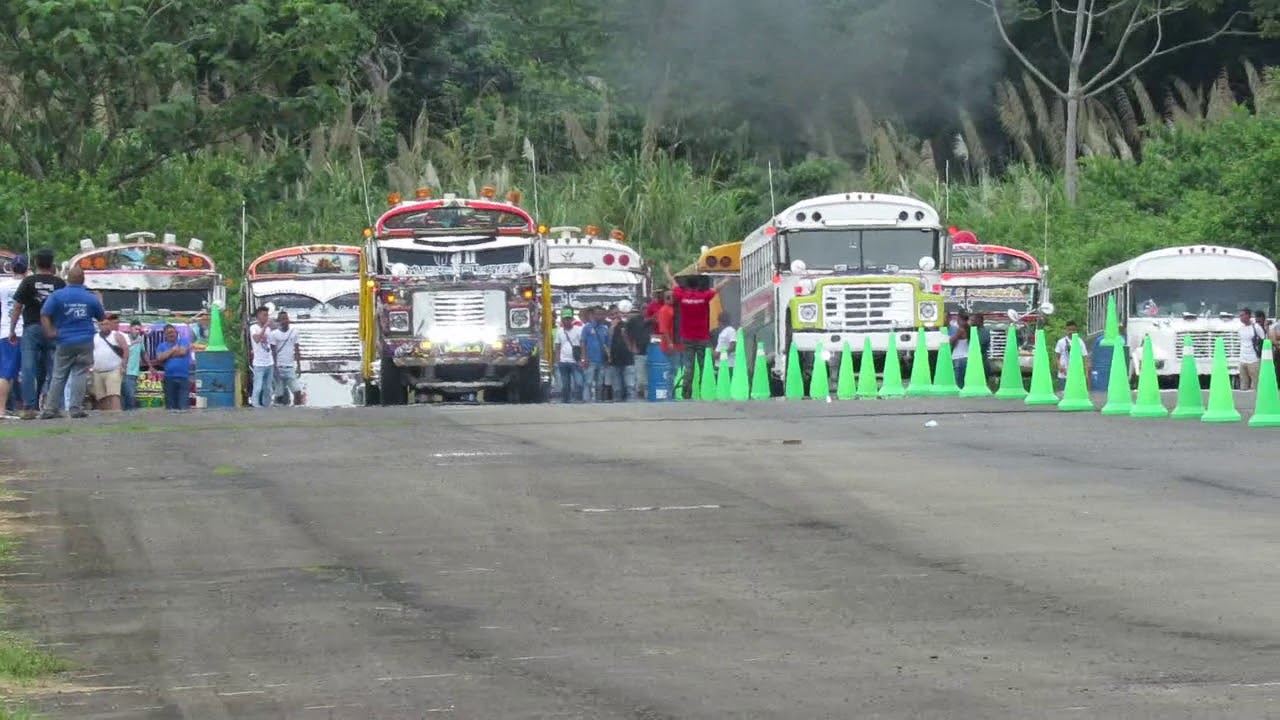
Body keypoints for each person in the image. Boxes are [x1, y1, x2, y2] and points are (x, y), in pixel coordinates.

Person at [38, 266, 104, 419]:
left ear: (67, 279)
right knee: (80, 373)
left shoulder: (57, 295)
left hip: (64, 339)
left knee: (59, 374)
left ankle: (50, 409)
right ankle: (75, 408)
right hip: (85, 340)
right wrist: (100, 301)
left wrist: (49, 331)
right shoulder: (89, 297)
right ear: (83, 280)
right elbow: (101, 317)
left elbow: (44, 313)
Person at [10, 249, 65, 419]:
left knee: (28, 367)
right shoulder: (59, 283)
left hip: (32, 327)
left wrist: (12, 329)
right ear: (52, 263)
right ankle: (55, 405)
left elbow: (18, 307)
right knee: (55, 368)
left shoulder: (28, 281)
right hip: (53, 329)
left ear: (36, 262)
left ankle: (29, 407)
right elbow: (64, 308)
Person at [663, 263, 717, 398]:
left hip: (687, 337)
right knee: (704, 364)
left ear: (687, 285)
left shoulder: (682, 296)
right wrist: (727, 281)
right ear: (698, 285)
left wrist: (667, 271)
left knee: (689, 366)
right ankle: (704, 389)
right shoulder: (704, 297)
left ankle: (686, 392)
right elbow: (716, 289)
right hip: (702, 337)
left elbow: (673, 283)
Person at [0, 255, 28, 417]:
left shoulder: (2, 287)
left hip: (5, 331)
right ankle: (28, 407)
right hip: (26, 330)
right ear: (26, 268)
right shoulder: (29, 285)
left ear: (11, 268)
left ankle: (1, 409)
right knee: (28, 371)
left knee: (5, 373)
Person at [90, 313, 129, 411]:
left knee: (114, 394)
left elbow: (126, 349)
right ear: (99, 325)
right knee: (101, 397)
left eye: (107, 324)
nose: (105, 326)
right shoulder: (94, 337)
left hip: (113, 370)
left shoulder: (116, 335)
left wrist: (124, 364)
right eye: (102, 324)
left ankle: (116, 414)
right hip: (97, 370)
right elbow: (91, 352)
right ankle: (106, 417)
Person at [154, 324, 192, 411]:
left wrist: (167, 355)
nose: (171, 334)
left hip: (183, 377)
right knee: (170, 407)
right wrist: (172, 350)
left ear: (176, 332)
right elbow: (159, 358)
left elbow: (182, 352)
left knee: (184, 406)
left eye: (172, 332)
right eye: (168, 333)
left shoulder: (183, 341)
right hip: (169, 378)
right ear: (165, 335)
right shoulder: (161, 345)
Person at [608, 300, 639, 401]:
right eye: (613, 314)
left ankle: (631, 407)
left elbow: (633, 339)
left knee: (630, 386)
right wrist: (612, 326)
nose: (616, 316)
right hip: (614, 360)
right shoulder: (608, 326)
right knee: (617, 389)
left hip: (628, 359)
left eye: (618, 313)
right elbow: (608, 339)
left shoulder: (627, 325)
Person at [271, 310, 303, 406]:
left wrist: (299, 365)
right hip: (279, 367)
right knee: (279, 394)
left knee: (297, 391)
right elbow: (273, 352)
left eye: (286, 318)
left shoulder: (294, 332)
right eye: (282, 319)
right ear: (279, 322)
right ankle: (278, 413)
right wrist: (275, 367)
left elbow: (297, 349)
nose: (285, 321)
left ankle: (297, 410)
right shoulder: (274, 334)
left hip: (290, 367)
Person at [554, 308, 583, 403]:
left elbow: (582, 345)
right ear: (562, 320)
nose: (567, 321)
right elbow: (557, 346)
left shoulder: (578, 330)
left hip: (575, 361)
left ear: (572, 319)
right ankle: (565, 400)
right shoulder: (559, 331)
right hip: (563, 361)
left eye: (569, 318)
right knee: (565, 384)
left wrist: (582, 359)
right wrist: (558, 359)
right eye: (565, 319)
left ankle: (579, 399)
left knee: (579, 383)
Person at [248, 306, 275, 407]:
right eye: (264, 315)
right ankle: (256, 405)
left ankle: (266, 405)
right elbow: (257, 339)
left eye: (267, 315)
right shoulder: (253, 328)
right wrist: (265, 327)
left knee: (268, 387)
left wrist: (271, 327)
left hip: (269, 361)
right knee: (258, 386)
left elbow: (271, 343)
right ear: (258, 316)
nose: (266, 317)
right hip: (259, 363)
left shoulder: (268, 329)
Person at [1055, 321, 1090, 392]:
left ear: (1076, 330)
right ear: (1066, 330)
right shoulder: (1061, 342)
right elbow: (1057, 357)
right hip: (1064, 374)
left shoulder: (1080, 342)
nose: (1071, 332)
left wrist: (1086, 373)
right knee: (1063, 394)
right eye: (1069, 330)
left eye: (1073, 330)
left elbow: (1085, 357)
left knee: (1074, 394)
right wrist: (1059, 366)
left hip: (1076, 375)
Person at [122, 320, 146, 411]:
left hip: (134, 372)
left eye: (139, 330)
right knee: (126, 395)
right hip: (124, 370)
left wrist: (150, 365)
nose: (137, 331)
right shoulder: (123, 338)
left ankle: (129, 413)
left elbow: (143, 353)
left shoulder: (140, 339)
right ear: (130, 328)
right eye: (136, 329)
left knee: (130, 395)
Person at [1237, 308, 1263, 391]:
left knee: (1257, 385)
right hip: (1242, 359)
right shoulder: (1240, 328)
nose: (1240, 317)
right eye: (1240, 316)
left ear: (1248, 315)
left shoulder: (1256, 327)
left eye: (1242, 315)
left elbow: (1264, 339)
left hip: (1254, 360)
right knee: (1243, 385)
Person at [950, 312, 970, 388]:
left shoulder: (961, 330)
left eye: (957, 318)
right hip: (965, 356)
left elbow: (951, 341)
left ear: (960, 319)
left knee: (958, 383)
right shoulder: (968, 329)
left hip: (959, 358)